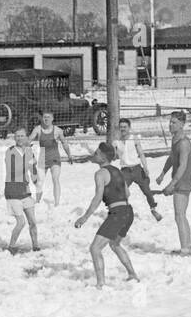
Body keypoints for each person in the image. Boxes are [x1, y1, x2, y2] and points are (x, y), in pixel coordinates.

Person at [75, 142, 139, 289]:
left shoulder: (100, 173)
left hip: (117, 214)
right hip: (128, 212)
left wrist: (85, 217)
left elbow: (97, 198)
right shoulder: (118, 170)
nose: (94, 155)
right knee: (115, 244)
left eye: (96, 153)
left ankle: (101, 284)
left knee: (95, 249)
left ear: (103, 157)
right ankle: (132, 274)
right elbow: (127, 193)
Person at [156, 110, 191, 254]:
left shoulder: (184, 143)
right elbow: (172, 158)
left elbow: (183, 165)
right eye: (170, 122)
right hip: (178, 180)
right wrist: (162, 173)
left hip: (184, 181)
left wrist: (172, 184)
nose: (170, 125)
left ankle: (186, 249)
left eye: (174, 122)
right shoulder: (175, 139)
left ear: (182, 124)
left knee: (180, 215)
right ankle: (187, 247)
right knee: (180, 215)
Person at [114, 116, 162, 221]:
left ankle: (153, 209)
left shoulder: (134, 139)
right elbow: (111, 155)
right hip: (125, 171)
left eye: (125, 127)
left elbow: (141, 153)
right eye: (121, 127)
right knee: (121, 192)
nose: (122, 129)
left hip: (137, 169)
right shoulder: (116, 141)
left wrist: (145, 167)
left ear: (129, 127)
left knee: (147, 191)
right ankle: (123, 212)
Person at [4, 127, 40, 252]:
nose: (19, 138)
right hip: (12, 191)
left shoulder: (29, 152)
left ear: (26, 137)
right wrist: (28, 155)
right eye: (17, 136)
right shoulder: (10, 152)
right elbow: (14, 170)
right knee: (21, 222)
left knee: (33, 222)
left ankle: (36, 246)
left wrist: (38, 186)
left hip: (25, 191)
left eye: (21, 136)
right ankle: (11, 246)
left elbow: (33, 171)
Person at [28, 111, 73, 206]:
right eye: (44, 117)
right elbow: (30, 139)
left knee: (55, 179)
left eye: (48, 117)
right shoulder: (38, 129)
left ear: (52, 119)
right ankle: (38, 201)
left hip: (54, 157)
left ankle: (57, 203)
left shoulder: (58, 130)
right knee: (39, 182)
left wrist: (69, 155)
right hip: (42, 156)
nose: (46, 119)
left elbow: (64, 143)